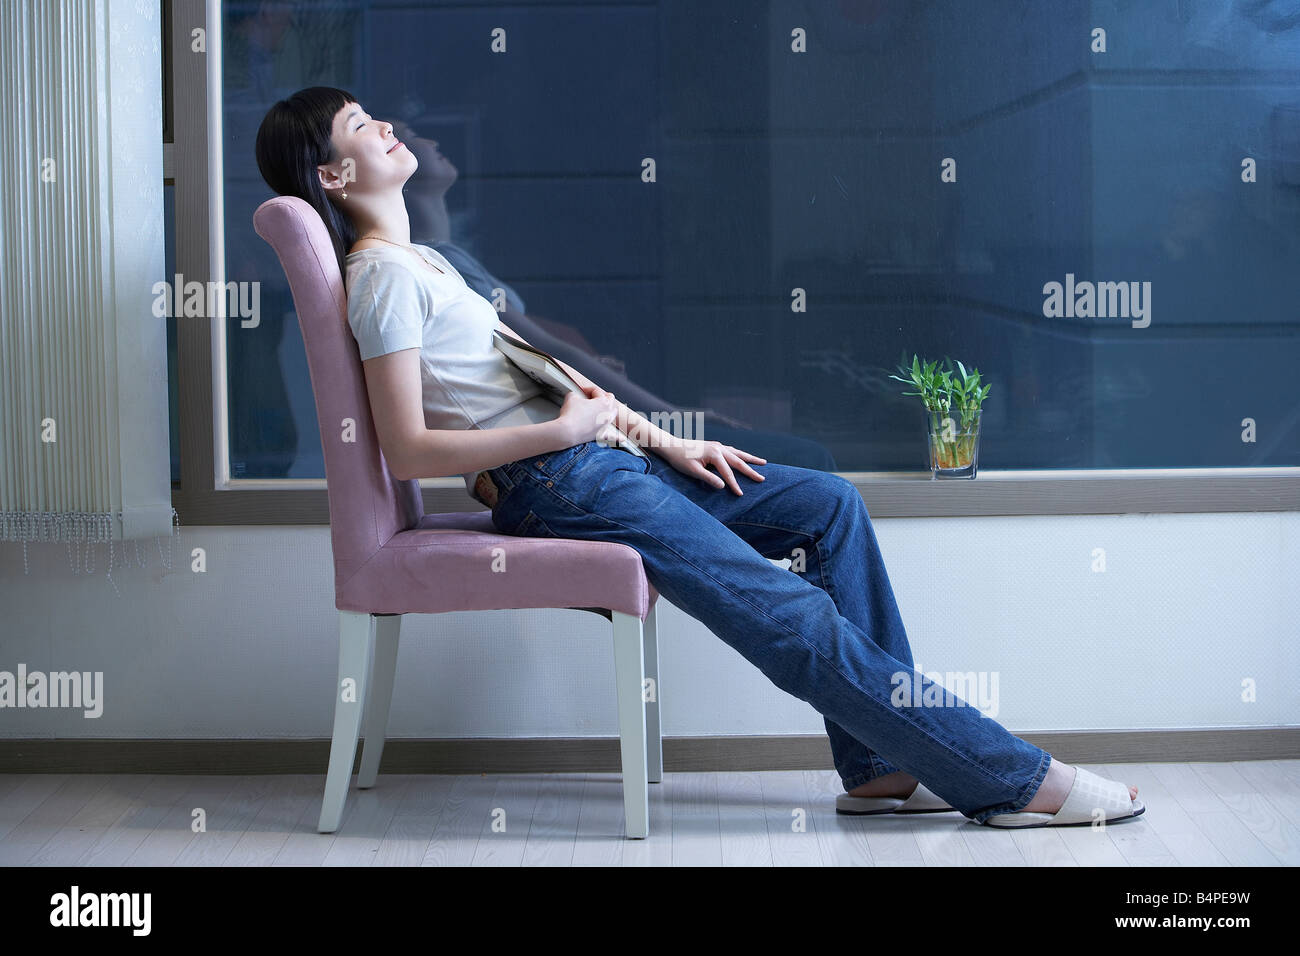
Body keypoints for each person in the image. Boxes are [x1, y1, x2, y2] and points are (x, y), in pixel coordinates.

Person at [255, 86, 1144, 829]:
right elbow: (408, 445)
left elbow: (553, 375)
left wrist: (667, 440)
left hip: (600, 462)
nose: (387, 128)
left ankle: (876, 764)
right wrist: (561, 436)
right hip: (558, 480)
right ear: (335, 176)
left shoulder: (429, 265)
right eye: (362, 127)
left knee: (827, 506)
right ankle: (1013, 782)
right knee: (783, 608)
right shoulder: (380, 280)